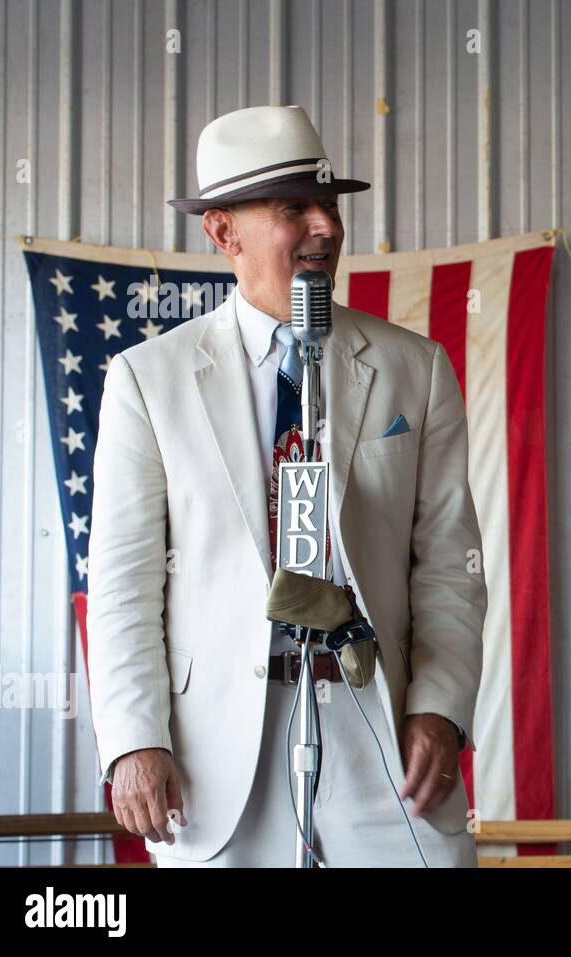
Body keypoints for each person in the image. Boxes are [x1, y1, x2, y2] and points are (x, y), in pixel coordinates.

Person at [87, 105, 486, 866]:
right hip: (216, 761)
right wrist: (135, 738)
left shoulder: (415, 367)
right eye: (292, 208)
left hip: (386, 749)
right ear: (224, 232)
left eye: (329, 205)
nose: (326, 226)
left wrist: (440, 707)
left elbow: (448, 567)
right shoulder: (149, 381)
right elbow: (123, 582)